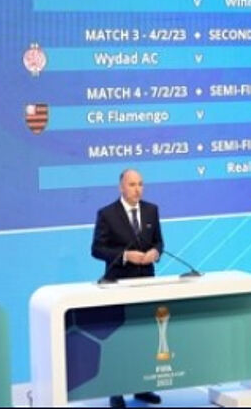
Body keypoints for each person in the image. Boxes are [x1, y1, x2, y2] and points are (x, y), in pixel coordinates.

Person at [91, 169, 163, 408]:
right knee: (119, 339)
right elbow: (97, 249)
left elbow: (159, 242)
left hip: (146, 282)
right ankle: (116, 391)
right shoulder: (107, 214)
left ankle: (143, 387)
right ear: (121, 187)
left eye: (140, 184)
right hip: (119, 283)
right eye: (132, 184)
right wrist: (125, 255)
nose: (137, 189)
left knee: (144, 336)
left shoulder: (151, 210)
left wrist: (155, 252)